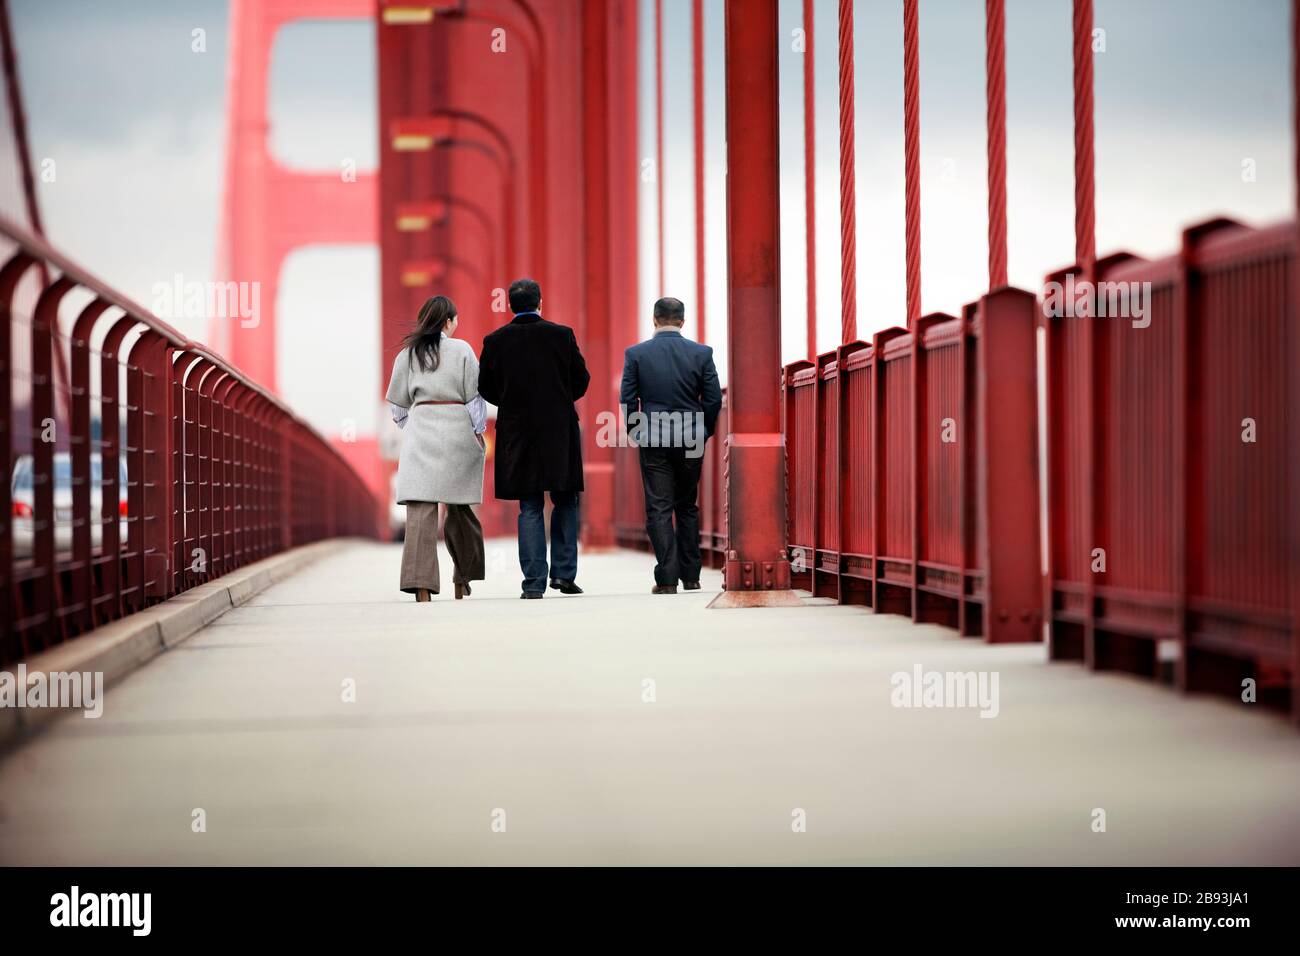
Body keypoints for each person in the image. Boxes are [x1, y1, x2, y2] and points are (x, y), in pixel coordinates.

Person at [478, 278, 590, 599]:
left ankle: (534, 583)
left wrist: (512, 401)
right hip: (559, 431)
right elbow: (581, 381)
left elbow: (485, 387)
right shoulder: (561, 335)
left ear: (510, 305)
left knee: (529, 507)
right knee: (565, 501)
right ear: (540, 303)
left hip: (517, 433)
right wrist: (557, 397)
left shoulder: (495, 341)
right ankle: (564, 576)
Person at [385, 295, 487, 602]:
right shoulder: (463, 350)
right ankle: (462, 578)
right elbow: (475, 401)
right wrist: (477, 432)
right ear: (448, 321)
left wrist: (414, 425)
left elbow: (397, 407)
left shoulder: (408, 354)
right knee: (460, 509)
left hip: (421, 432)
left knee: (420, 512)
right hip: (457, 431)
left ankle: (422, 587)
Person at [619, 296, 721, 594]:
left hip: (653, 439)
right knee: (687, 506)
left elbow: (628, 399)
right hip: (691, 439)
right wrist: (704, 430)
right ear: (682, 321)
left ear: (654, 319)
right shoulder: (701, 353)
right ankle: (691, 575)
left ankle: (666, 578)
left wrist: (636, 431)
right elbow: (713, 399)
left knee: (659, 508)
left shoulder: (636, 354)